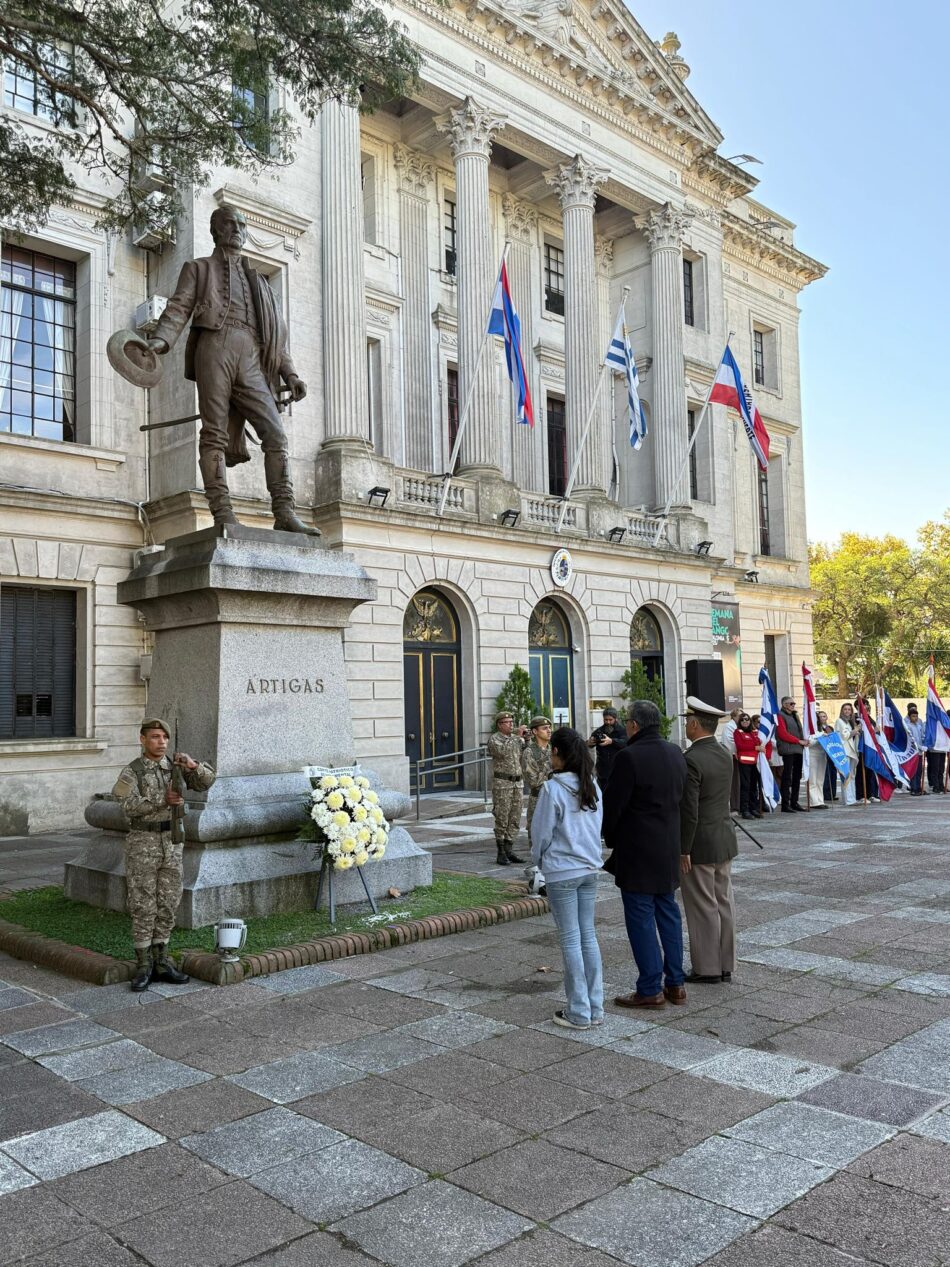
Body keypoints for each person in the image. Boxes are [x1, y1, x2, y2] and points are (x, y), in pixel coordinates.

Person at [143, 204, 318, 535]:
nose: (237, 229)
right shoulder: (198, 268)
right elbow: (179, 307)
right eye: (229, 223)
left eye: (241, 224)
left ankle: (284, 510)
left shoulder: (262, 285)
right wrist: (161, 340)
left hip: (251, 356)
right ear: (216, 230)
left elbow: (275, 335)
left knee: (275, 432)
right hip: (214, 348)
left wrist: (290, 373)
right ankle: (222, 511)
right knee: (214, 433)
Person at [113, 719, 216, 991]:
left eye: (164, 738)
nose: (161, 742)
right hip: (143, 843)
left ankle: (162, 960)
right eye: (155, 737)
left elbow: (206, 782)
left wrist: (193, 766)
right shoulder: (132, 771)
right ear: (143, 740)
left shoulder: (175, 767)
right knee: (143, 903)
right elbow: (126, 805)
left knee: (168, 902)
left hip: (171, 843)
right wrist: (162, 801)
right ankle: (143, 964)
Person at [602, 699, 689, 1009]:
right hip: (667, 845)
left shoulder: (629, 756)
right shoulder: (675, 751)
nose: (626, 725)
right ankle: (676, 984)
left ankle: (650, 987)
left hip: (638, 848)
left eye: (627, 721)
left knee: (640, 917)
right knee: (668, 913)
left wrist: (609, 837)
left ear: (635, 725)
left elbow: (614, 805)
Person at [530, 727, 604, 1029]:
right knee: (588, 937)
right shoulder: (593, 786)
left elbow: (541, 834)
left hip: (562, 871)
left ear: (558, 753)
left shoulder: (553, 789)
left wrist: (539, 862)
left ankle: (578, 1011)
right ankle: (595, 1006)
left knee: (571, 940)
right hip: (589, 869)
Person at [680, 697, 739, 984]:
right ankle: (726, 964)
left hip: (699, 842)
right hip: (723, 837)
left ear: (694, 724)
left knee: (703, 905)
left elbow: (689, 810)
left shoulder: (691, 758)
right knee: (723, 901)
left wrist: (683, 848)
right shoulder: (724, 753)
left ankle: (707, 967)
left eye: (687, 721)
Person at [487, 711, 527, 865]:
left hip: (517, 783)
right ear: (499, 724)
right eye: (507, 722)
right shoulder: (495, 740)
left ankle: (510, 849)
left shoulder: (516, 739)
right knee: (502, 817)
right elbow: (502, 752)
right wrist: (517, 736)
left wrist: (526, 739)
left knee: (515, 817)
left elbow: (524, 753)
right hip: (503, 785)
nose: (511, 724)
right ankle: (501, 852)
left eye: (512, 721)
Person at [522, 716, 553, 841]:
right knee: (536, 834)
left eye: (550, 728)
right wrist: (551, 770)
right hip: (538, 797)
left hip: (554, 797)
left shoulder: (554, 750)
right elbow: (533, 781)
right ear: (535, 732)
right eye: (545, 728)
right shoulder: (529, 752)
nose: (549, 730)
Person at [776, 696, 808, 812]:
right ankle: (785, 804)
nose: (793, 705)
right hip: (788, 749)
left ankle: (794, 802)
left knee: (797, 777)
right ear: (784, 704)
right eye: (791, 703)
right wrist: (798, 741)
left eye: (794, 704)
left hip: (798, 749)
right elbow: (782, 733)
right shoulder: (780, 715)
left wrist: (804, 740)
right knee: (787, 776)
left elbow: (800, 731)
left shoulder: (795, 716)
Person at [733, 712, 765, 820]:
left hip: (756, 763)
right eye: (742, 720)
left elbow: (759, 742)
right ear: (739, 722)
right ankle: (745, 810)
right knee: (745, 787)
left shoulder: (754, 732)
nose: (745, 721)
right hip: (745, 763)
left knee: (754, 787)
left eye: (747, 719)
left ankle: (753, 808)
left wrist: (758, 746)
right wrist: (755, 747)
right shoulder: (737, 732)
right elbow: (741, 746)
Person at [587, 707, 627, 789]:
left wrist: (612, 741)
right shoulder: (599, 731)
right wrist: (589, 742)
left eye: (610, 720)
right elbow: (588, 744)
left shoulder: (623, 731)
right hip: (603, 771)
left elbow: (626, 743)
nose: (608, 722)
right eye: (606, 720)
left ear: (615, 719)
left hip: (619, 770)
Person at [835, 702, 860, 806]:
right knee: (846, 775)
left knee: (852, 775)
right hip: (844, 751)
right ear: (842, 710)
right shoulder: (839, 721)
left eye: (849, 709)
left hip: (852, 751)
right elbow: (844, 736)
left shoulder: (850, 722)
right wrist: (855, 731)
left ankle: (852, 798)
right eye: (845, 709)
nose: (847, 711)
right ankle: (848, 800)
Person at [805, 709, 830, 810]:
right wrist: (820, 736)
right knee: (813, 780)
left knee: (820, 780)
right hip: (812, 755)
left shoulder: (822, 728)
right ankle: (814, 801)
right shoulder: (808, 730)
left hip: (821, 755)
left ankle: (820, 800)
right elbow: (809, 743)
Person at [719, 707, 742, 812]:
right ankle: (735, 805)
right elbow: (730, 742)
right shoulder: (729, 726)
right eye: (739, 716)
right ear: (733, 716)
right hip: (733, 756)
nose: (742, 718)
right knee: (735, 783)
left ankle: (741, 803)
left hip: (742, 757)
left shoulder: (741, 726)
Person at [905, 703, 926, 795]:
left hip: (920, 752)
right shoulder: (908, 726)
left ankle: (918, 787)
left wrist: (925, 742)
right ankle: (913, 788)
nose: (915, 718)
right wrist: (920, 746)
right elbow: (911, 740)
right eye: (913, 716)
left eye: (916, 716)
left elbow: (921, 736)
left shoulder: (918, 725)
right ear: (909, 717)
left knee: (919, 771)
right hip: (913, 752)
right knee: (914, 771)